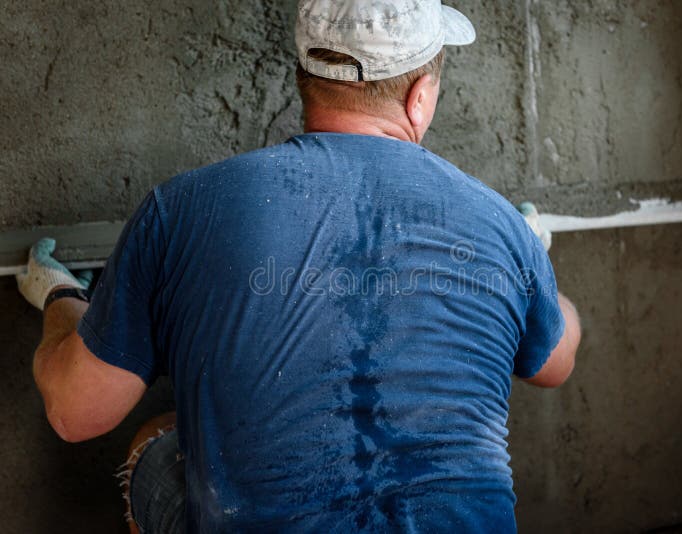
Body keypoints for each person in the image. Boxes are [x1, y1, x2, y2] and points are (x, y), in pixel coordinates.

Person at [16, 0, 581, 532]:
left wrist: (61, 300)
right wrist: (533, 265)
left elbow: (75, 412)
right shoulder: (500, 224)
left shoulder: (181, 209)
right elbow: (553, 364)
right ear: (420, 97)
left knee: (160, 444)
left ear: (306, 81)